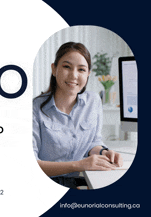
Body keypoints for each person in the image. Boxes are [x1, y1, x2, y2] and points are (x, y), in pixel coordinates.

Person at [33, 42, 123, 189]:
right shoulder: (36, 108)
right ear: (54, 69)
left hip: (81, 182)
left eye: (81, 69)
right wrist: (79, 165)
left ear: (88, 74)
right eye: (66, 67)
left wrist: (104, 152)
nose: (74, 75)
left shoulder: (93, 101)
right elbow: (32, 165)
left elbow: (92, 142)